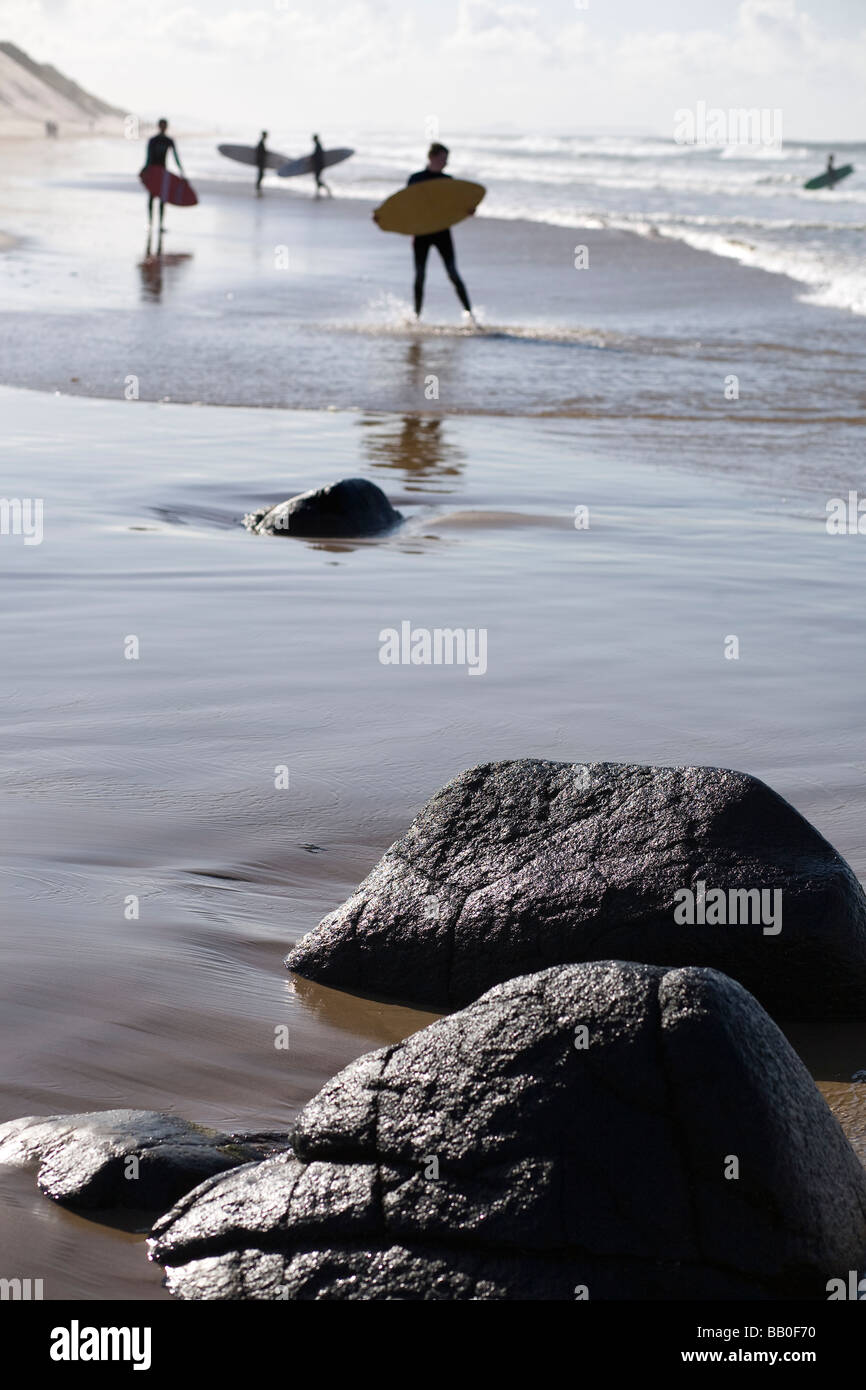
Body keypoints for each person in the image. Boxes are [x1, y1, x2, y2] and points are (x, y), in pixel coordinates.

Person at [405, 143, 474, 321]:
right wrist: (385, 218)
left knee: (453, 273)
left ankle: (469, 314)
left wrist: (468, 210)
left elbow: (456, 206)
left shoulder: (448, 181)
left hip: (442, 233)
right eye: (443, 158)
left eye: (446, 159)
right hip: (421, 233)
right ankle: (416, 316)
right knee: (420, 276)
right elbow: (403, 206)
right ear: (432, 157)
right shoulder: (415, 179)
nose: (446, 162)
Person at [142, 119, 184, 243]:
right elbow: (148, 158)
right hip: (154, 171)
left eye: (164, 125)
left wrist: (181, 170)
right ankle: (150, 224)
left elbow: (175, 156)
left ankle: (159, 225)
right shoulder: (153, 140)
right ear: (160, 126)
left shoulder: (167, 141)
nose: (163, 127)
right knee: (152, 197)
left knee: (162, 199)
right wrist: (145, 169)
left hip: (162, 172)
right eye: (162, 125)